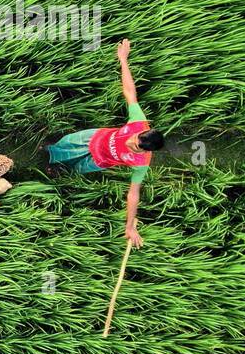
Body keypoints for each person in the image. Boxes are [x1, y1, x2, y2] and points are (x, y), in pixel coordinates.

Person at [46, 39, 164, 248]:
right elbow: (129, 92)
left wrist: (130, 226)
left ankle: (56, 172)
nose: (130, 142)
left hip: (100, 160)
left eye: (135, 146)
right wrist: (123, 60)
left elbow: (133, 193)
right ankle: (49, 154)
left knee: (77, 170)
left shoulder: (141, 163)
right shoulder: (138, 121)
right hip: (95, 137)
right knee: (64, 145)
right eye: (134, 138)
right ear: (143, 131)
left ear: (143, 151)